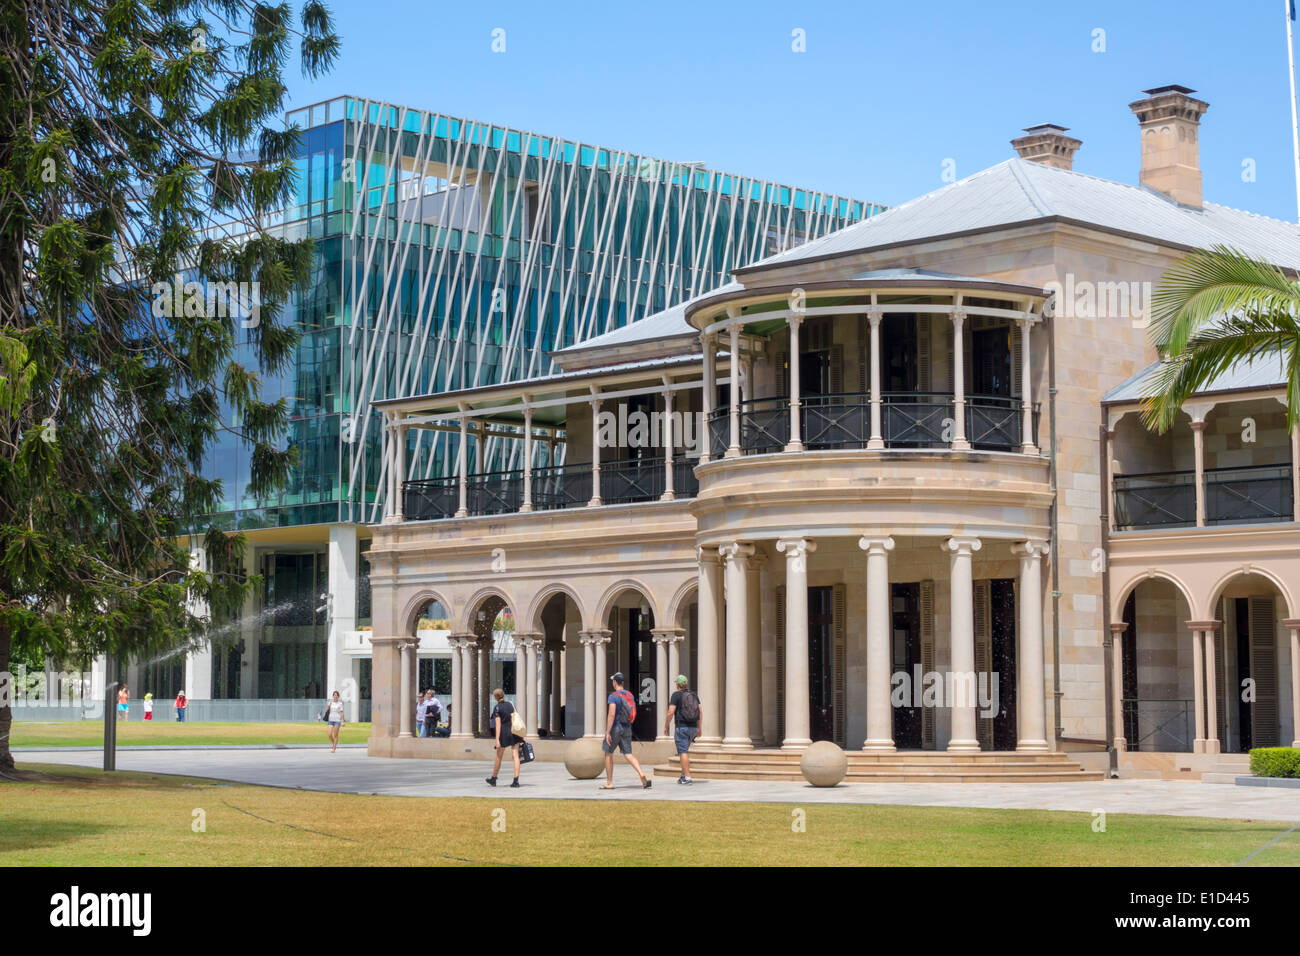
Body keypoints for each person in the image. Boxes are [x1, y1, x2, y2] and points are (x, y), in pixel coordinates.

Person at [601, 672, 651, 790]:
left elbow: (611, 714)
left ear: (614, 682)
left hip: (616, 727)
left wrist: (607, 732)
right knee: (628, 754)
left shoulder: (613, 696)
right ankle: (641, 774)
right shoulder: (630, 695)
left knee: (608, 753)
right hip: (627, 727)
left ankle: (609, 782)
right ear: (622, 682)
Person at [663, 674, 701, 785]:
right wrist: (699, 727)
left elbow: (670, 712)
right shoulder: (693, 694)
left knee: (683, 752)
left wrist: (666, 726)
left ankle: (688, 778)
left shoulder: (676, 695)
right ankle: (683, 775)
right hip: (693, 727)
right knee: (684, 750)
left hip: (682, 727)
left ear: (678, 685)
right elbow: (700, 711)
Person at [486, 688, 521, 788]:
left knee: (499, 757)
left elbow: (498, 725)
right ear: (503, 695)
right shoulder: (510, 704)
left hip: (504, 734)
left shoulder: (497, 708)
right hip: (515, 732)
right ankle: (516, 780)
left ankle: (493, 778)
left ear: (495, 697)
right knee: (516, 756)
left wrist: (497, 740)